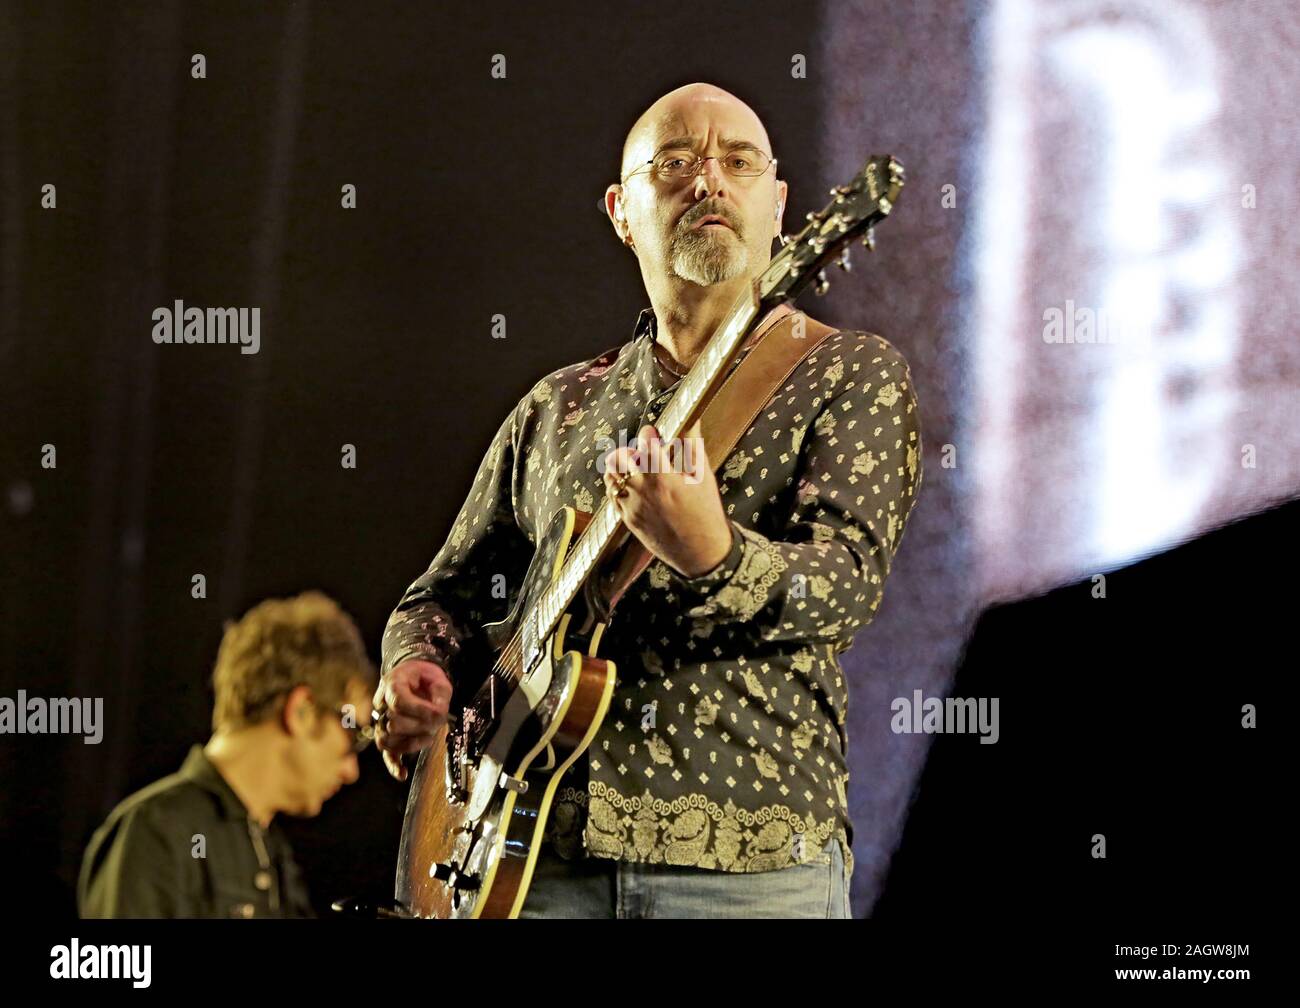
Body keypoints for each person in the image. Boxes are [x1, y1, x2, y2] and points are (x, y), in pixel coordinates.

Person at [375, 82, 923, 918]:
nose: (709, 181)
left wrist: (717, 555)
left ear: (779, 207)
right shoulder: (555, 405)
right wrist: (414, 668)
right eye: (674, 163)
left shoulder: (846, 373)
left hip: (751, 868)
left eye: (738, 163)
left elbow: (845, 584)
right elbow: (443, 596)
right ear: (621, 210)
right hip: (531, 866)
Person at [78, 591, 376, 918]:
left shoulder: (271, 851)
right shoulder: (156, 831)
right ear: (302, 712)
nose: (352, 770)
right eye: (353, 735)